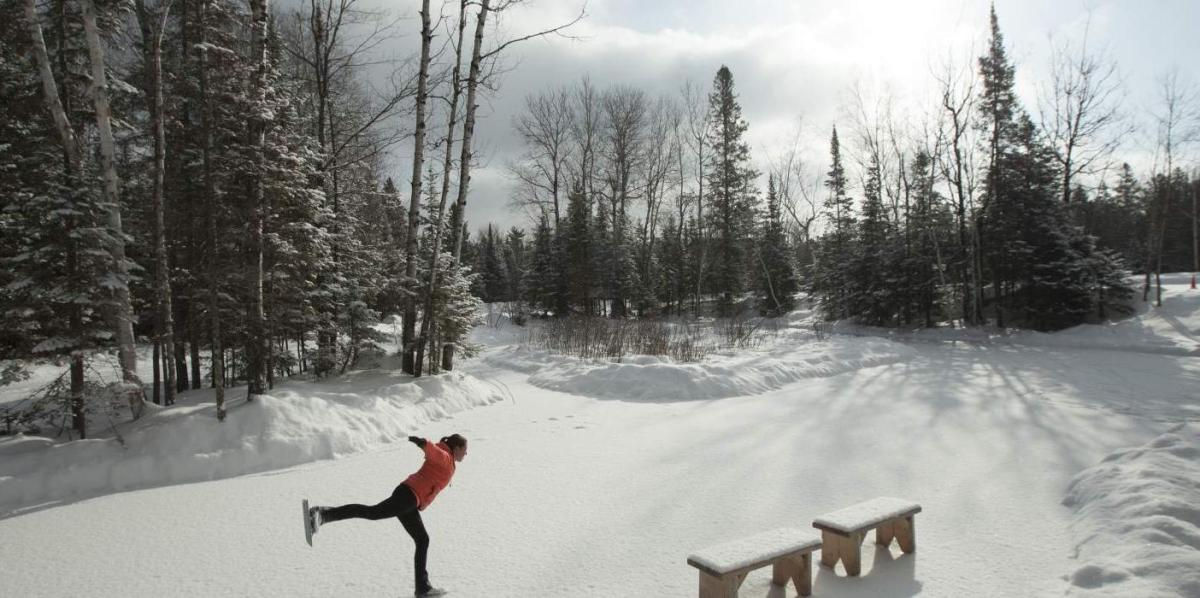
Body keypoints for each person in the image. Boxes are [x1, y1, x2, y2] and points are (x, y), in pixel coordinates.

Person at [305, 434, 468, 598]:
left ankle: (422, 588)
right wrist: (424, 444)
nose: (466, 454)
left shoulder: (447, 457)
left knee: (422, 539)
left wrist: (426, 446)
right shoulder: (446, 457)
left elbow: (436, 454)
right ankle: (322, 514)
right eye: (465, 450)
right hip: (408, 497)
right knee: (372, 513)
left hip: (410, 499)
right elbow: (436, 453)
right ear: (457, 448)